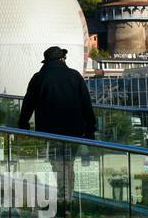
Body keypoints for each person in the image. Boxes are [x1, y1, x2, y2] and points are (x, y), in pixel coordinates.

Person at [17, 46, 96, 202]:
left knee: (57, 162)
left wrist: (23, 124)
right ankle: (68, 197)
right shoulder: (75, 76)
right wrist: (90, 129)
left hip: (50, 130)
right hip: (74, 131)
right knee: (69, 163)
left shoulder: (39, 77)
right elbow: (87, 104)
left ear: (46, 61)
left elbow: (28, 104)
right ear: (62, 59)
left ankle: (63, 195)